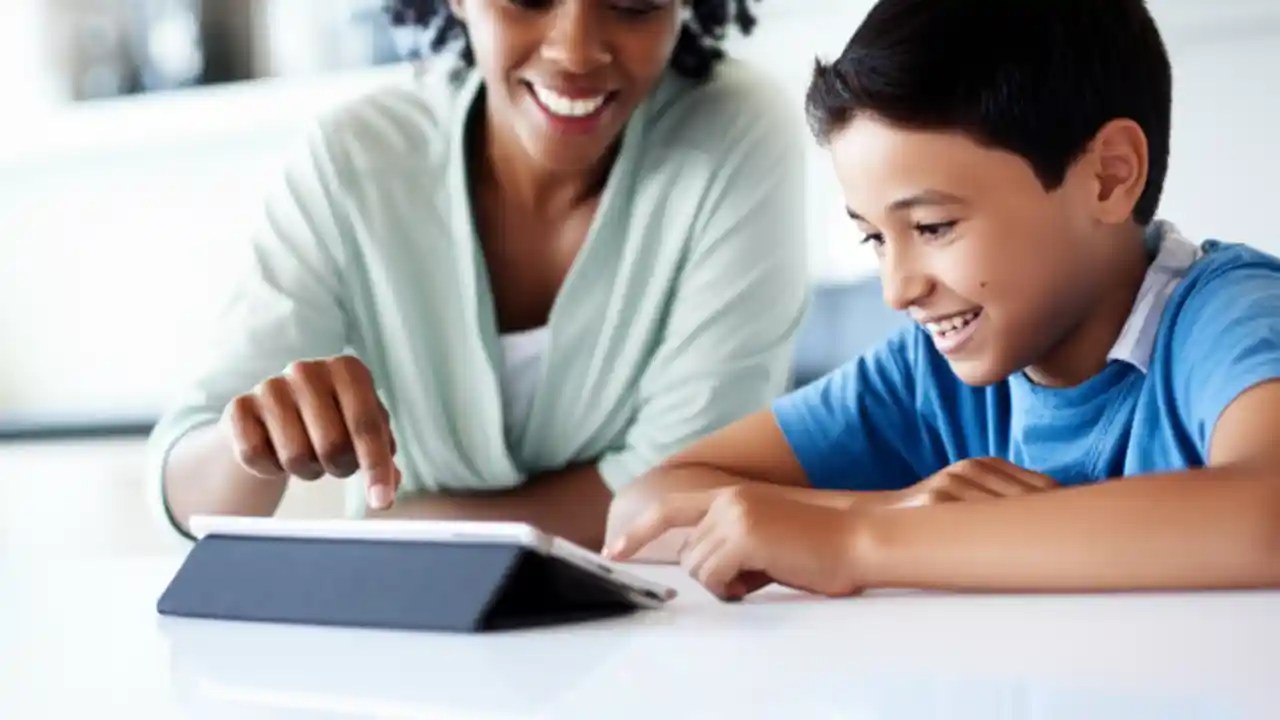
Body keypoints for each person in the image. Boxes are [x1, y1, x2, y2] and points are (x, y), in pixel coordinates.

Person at [606, 0, 1280, 600]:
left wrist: (859, 543)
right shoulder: (932, 375)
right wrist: (897, 509)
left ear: (1107, 177)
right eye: (874, 236)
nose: (898, 290)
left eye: (932, 227)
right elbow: (642, 512)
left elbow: (1267, 515)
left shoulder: (1227, 316)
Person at [147, 0, 809, 550]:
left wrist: (391, 530)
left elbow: (686, 490)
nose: (576, 51)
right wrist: (251, 441)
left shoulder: (735, 131)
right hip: (415, 662)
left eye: (633, 2)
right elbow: (182, 492)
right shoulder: (353, 162)